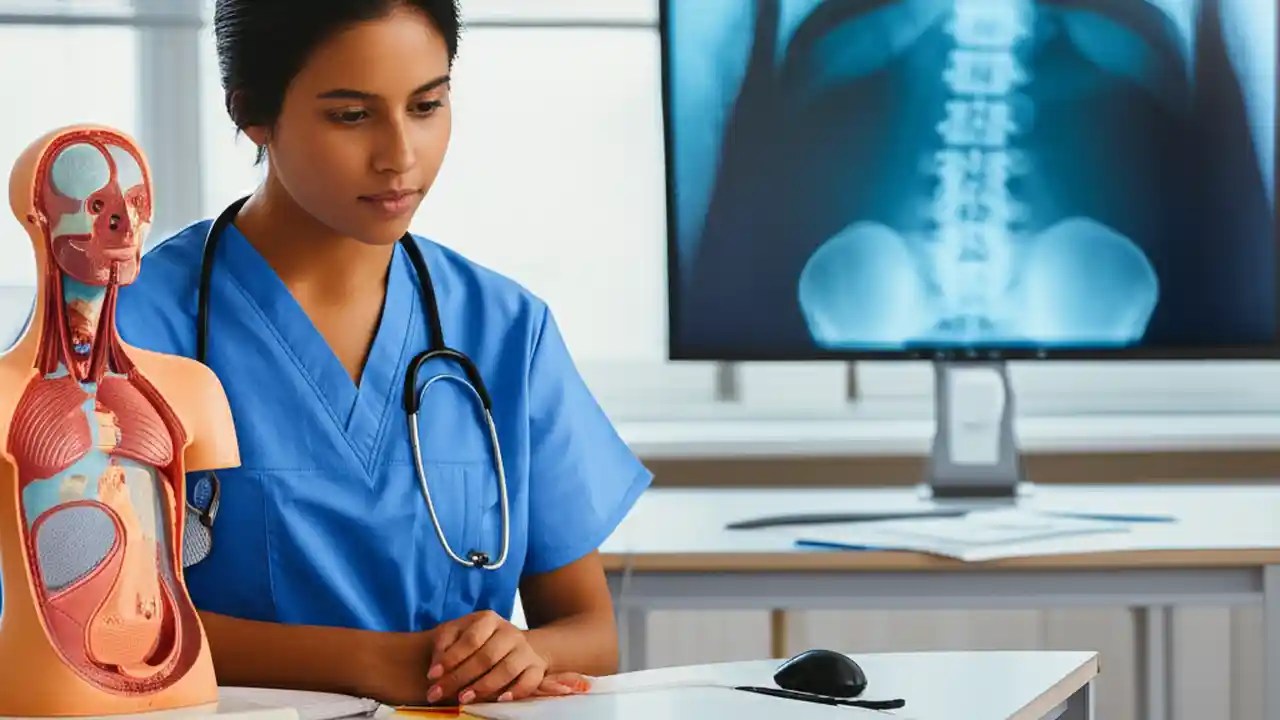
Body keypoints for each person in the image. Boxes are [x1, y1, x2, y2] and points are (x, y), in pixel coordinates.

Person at [114, 0, 652, 708]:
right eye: (351, 115)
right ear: (252, 113)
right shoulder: (127, 331)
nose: (400, 156)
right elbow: (94, 632)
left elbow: (588, 632)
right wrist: (376, 662)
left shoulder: (504, 327)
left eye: (427, 105)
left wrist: (515, 653)